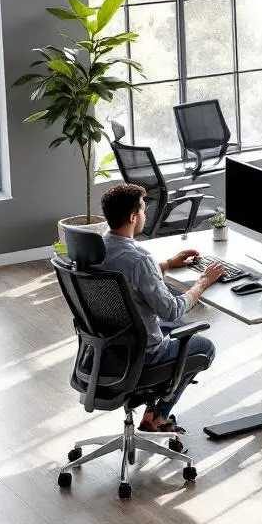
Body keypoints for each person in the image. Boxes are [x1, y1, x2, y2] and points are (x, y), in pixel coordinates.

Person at [97, 183, 223, 434]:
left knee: (178, 329)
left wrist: (166, 264)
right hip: (142, 355)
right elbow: (171, 309)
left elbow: (127, 278)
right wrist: (202, 283)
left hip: (107, 350)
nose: (144, 215)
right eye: (143, 211)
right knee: (202, 347)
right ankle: (159, 416)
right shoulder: (139, 259)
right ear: (133, 217)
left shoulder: (98, 248)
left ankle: (153, 414)